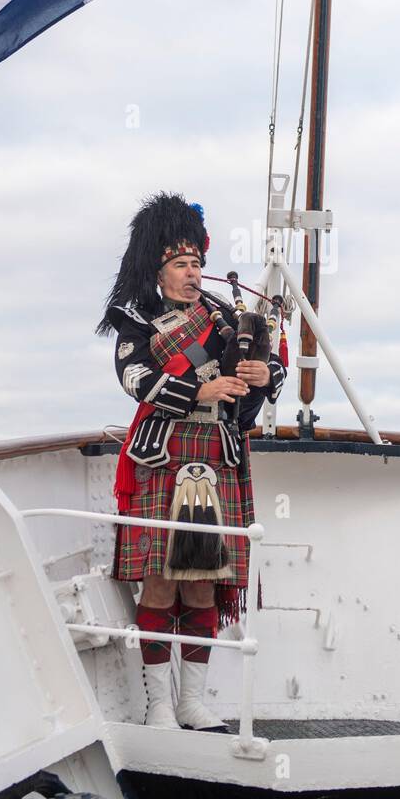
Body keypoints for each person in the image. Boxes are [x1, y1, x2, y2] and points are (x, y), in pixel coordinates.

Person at [95, 191, 287, 731]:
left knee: (201, 581)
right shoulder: (135, 319)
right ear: (158, 269)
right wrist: (196, 392)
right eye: (181, 264)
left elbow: (269, 374)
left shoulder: (227, 317)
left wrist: (261, 377)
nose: (192, 273)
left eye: (197, 263)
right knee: (159, 579)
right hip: (162, 457)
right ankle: (159, 703)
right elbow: (134, 379)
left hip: (213, 458)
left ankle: (191, 702)